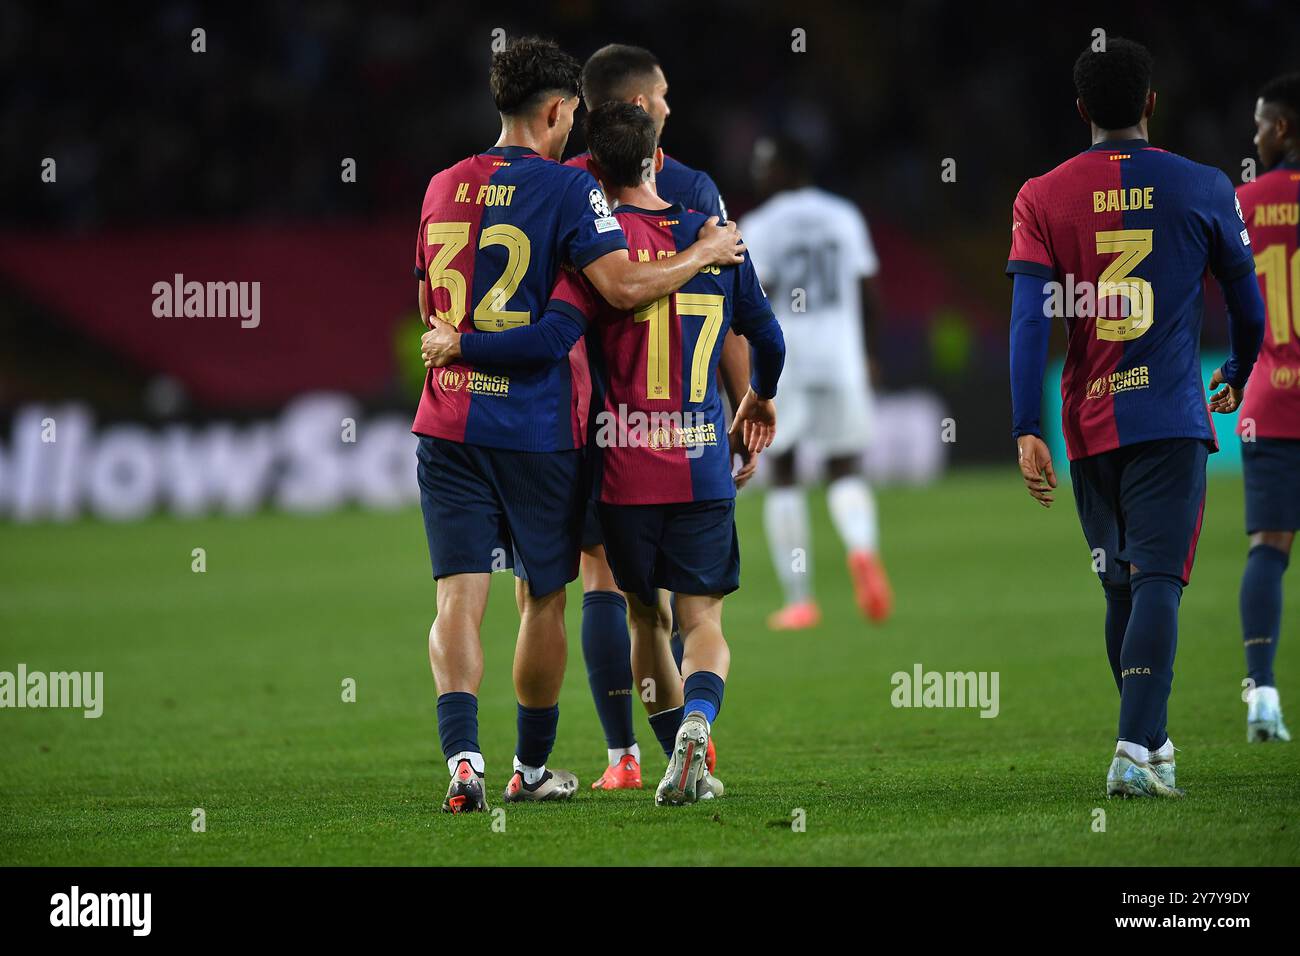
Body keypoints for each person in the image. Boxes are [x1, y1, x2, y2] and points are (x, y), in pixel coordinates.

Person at [412, 37, 744, 813]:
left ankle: (464, 761)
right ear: (559, 111)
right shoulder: (569, 191)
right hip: (534, 429)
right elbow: (622, 288)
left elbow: (431, 303)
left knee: (456, 601)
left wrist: (460, 342)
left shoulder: (438, 186)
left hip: (447, 421)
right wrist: (704, 252)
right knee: (543, 600)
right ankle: (528, 768)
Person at [1006, 38, 1265, 797]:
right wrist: (1241, 371)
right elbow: (1250, 308)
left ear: (1083, 111)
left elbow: (1030, 323)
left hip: (1088, 424)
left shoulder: (1041, 195)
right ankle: (1132, 749)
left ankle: (1151, 746)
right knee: (1158, 581)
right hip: (1170, 420)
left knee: (1121, 586)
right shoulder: (1206, 186)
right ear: (1152, 104)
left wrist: (1028, 426)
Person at [741, 134, 893, 630]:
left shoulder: (759, 226)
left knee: (781, 470)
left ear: (788, 169)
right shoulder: (844, 215)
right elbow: (868, 290)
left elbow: (751, 299)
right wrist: (870, 352)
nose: (760, 177)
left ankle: (800, 599)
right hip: (841, 358)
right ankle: (862, 550)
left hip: (785, 363)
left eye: (766, 167)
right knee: (844, 466)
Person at [1234, 71, 1300, 742]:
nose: (1253, 135)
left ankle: (1263, 698)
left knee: (1268, 551)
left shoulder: (1244, 201)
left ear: (1283, 128)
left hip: (1272, 402)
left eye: (1260, 124)